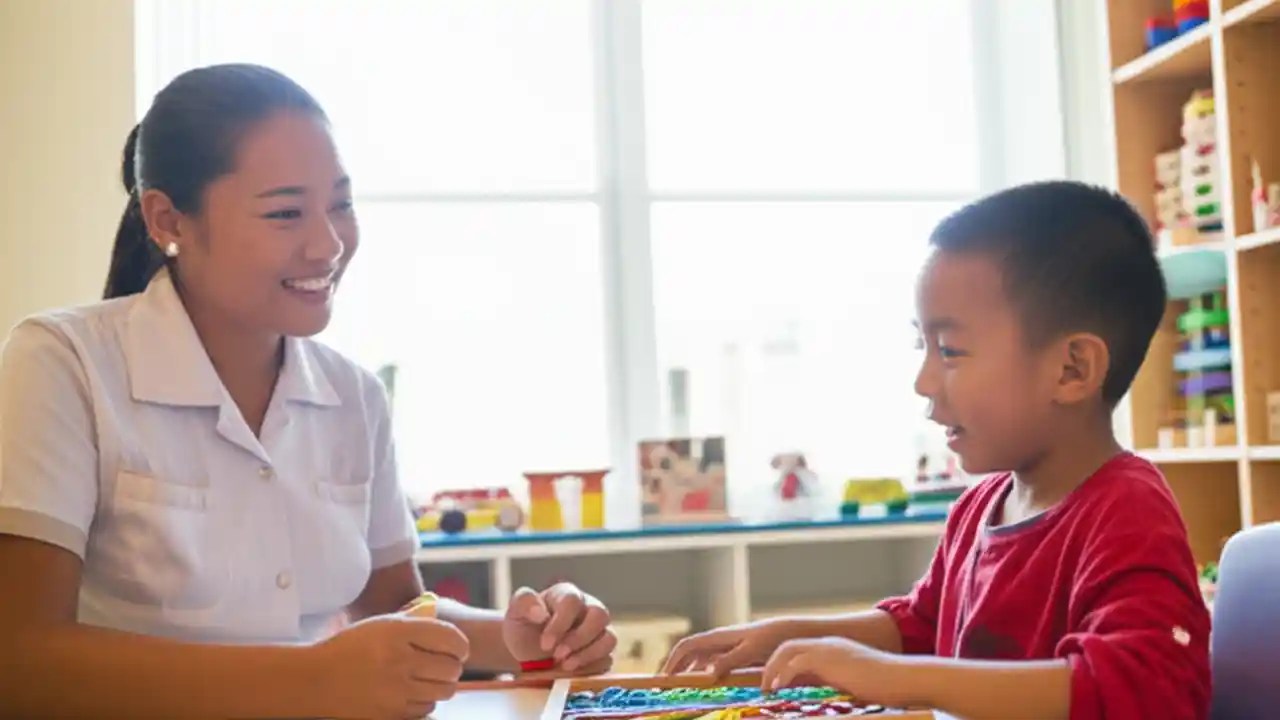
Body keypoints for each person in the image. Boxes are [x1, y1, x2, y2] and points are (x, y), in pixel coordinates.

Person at [0, 63, 616, 720]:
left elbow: (396, 612)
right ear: (167, 220)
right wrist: (312, 678)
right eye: (286, 213)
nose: (328, 244)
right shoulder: (63, 363)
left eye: (341, 205)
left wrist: (518, 636)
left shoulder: (354, 396)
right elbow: (20, 661)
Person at [663, 182, 1211, 720]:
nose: (923, 381)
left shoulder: (1126, 511)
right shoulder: (981, 508)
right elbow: (920, 627)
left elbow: (1141, 687)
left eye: (949, 350)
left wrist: (893, 678)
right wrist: (790, 635)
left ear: (1072, 369)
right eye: (921, 346)